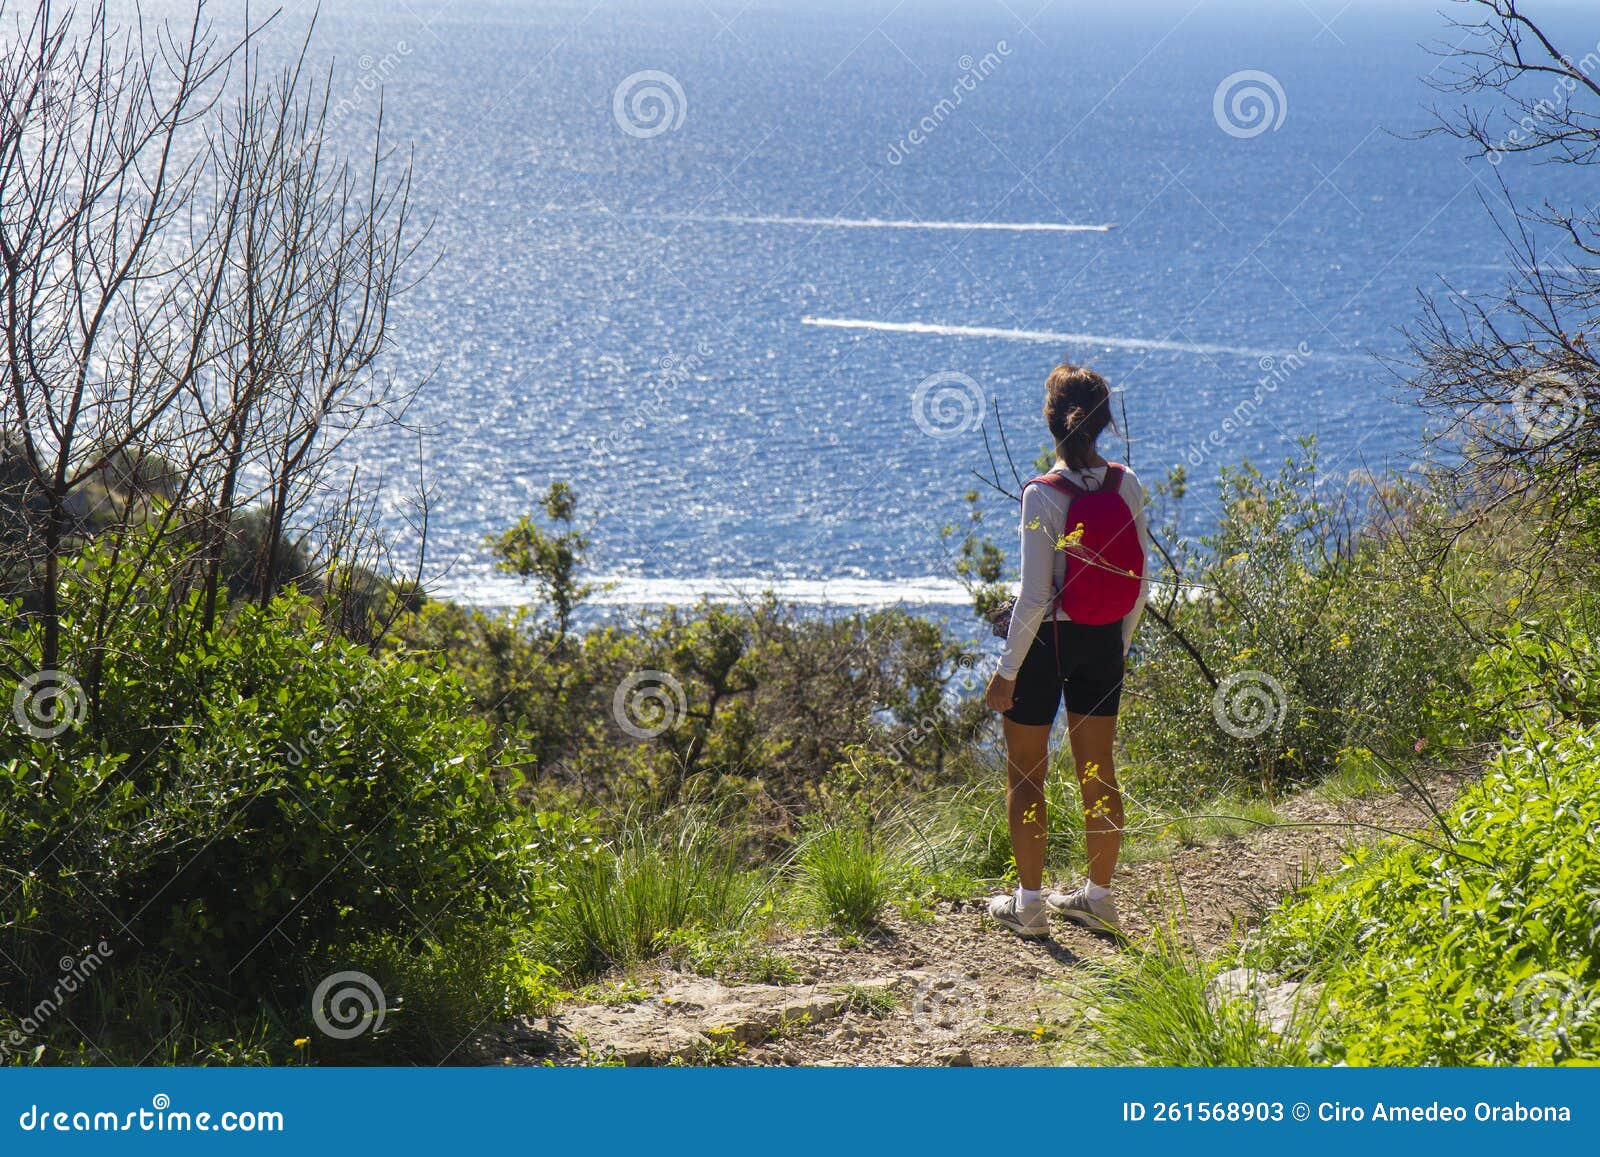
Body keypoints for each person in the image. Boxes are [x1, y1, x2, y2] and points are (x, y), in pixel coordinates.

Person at [983, 363, 1150, 938]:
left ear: (1050, 419)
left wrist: (1006, 671)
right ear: (1103, 422)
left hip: (1045, 645)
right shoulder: (1125, 483)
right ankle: (1098, 898)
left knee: (1026, 774)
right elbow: (1139, 583)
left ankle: (1029, 906)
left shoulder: (1041, 494)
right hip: (1102, 637)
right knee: (1098, 770)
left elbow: (1034, 596)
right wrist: (1117, 646)